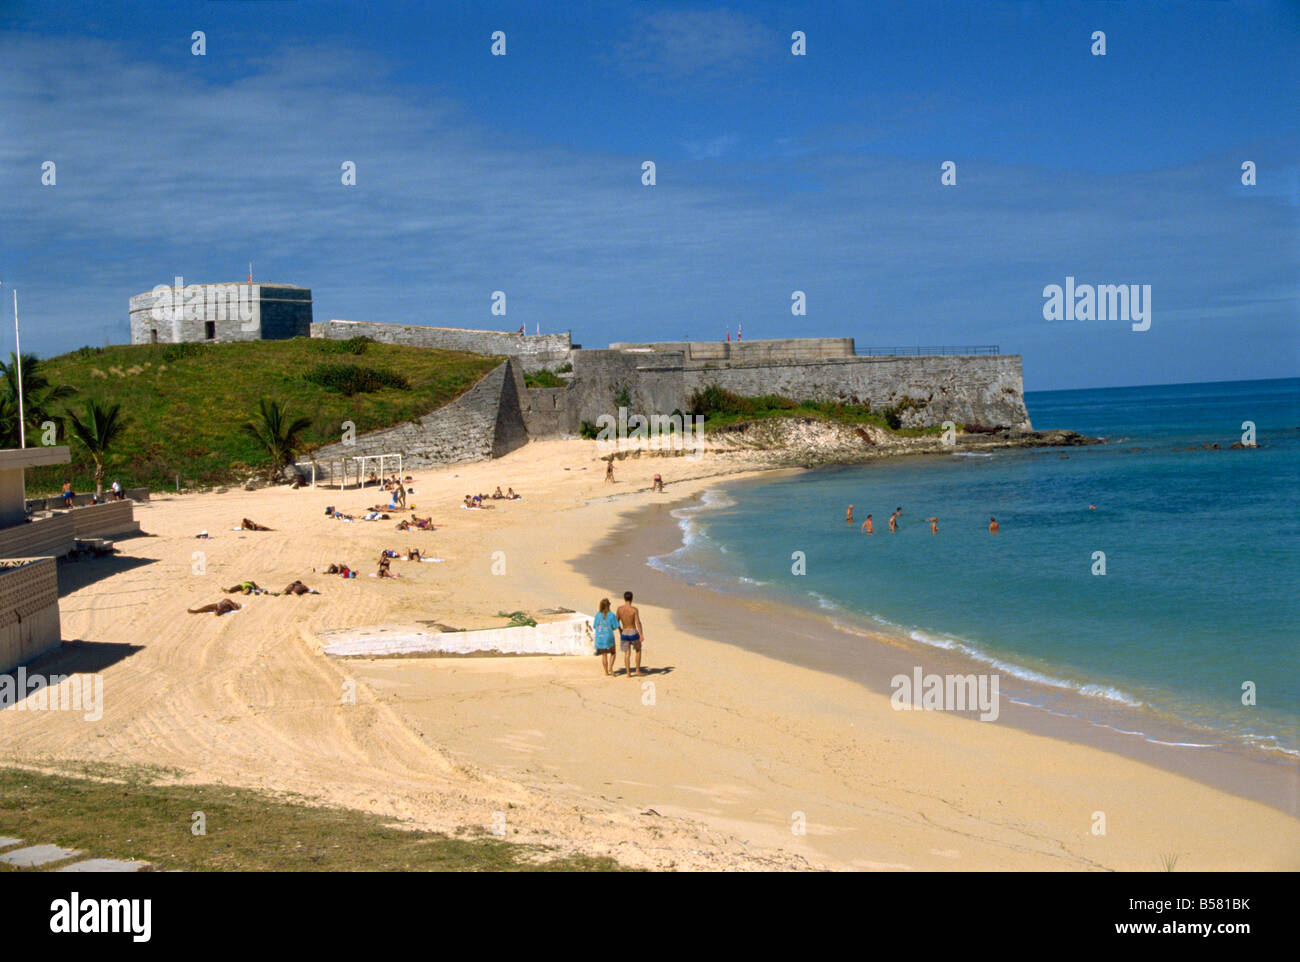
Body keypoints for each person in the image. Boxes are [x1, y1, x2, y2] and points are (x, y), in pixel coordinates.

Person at [616, 591, 645, 677]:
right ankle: (637, 670)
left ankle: (628, 673)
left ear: (624, 598)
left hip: (624, 632)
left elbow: (616, 622)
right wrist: (641, 634)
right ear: (632, 598)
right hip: (633, 632)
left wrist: (620, 630)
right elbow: (638, 622)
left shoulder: (619, 609)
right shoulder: (634, 610)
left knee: (627, 654)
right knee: (638, 650)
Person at [592, 598, 619, 676]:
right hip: (609, 636)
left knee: (604, 655)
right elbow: (615, 626)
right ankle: (610, 668)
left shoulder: (597, 615)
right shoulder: (612, 615)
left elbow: (595, 626)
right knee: (613, 653)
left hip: (600, 636)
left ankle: (606, 671)